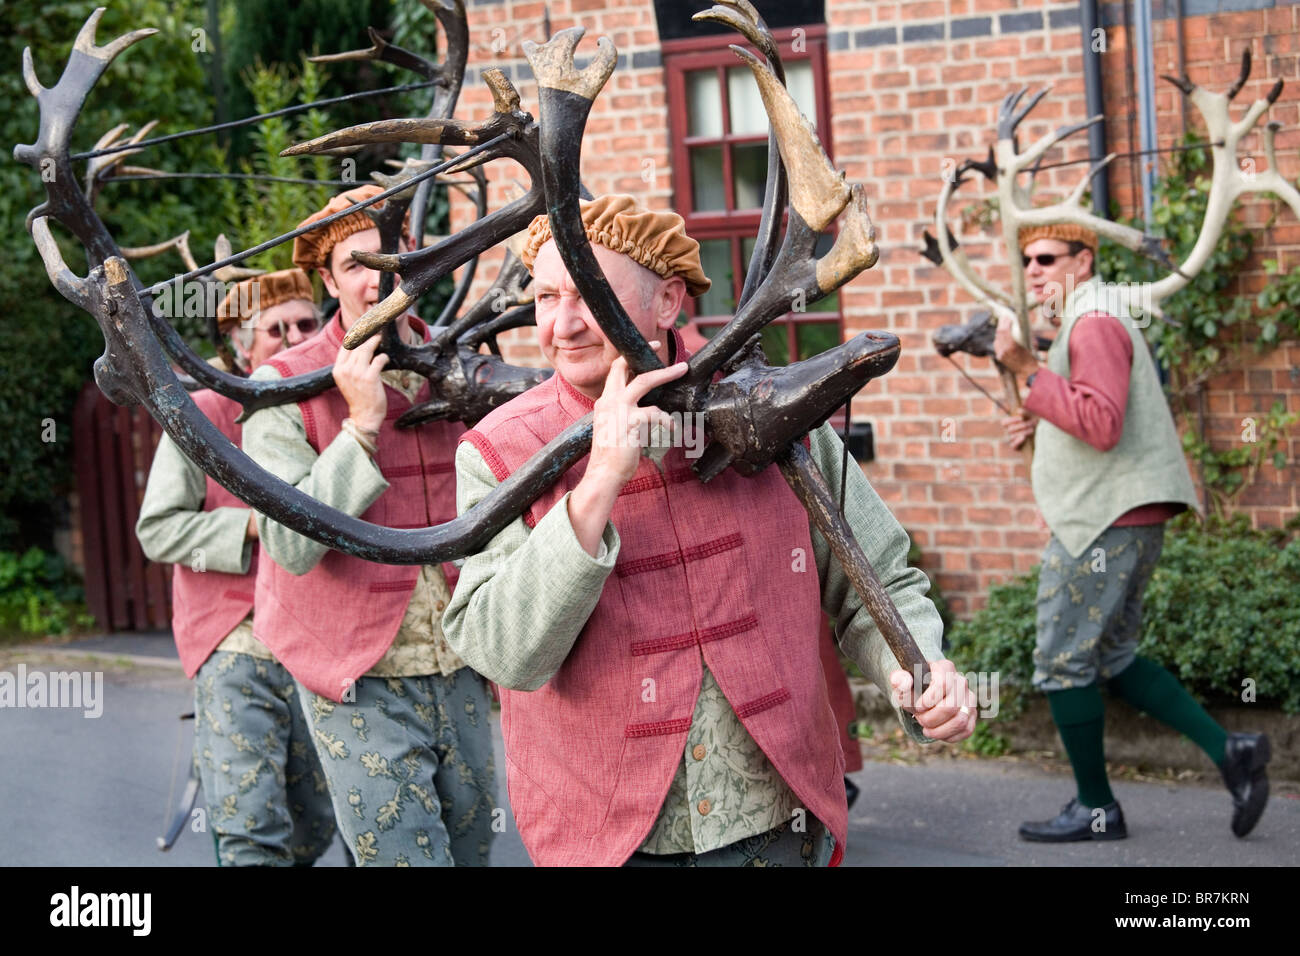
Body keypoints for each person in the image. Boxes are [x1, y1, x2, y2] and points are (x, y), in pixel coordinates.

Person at [442, 194, 976, 867]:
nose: (563, 325)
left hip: (772, 822)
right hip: (605, 838)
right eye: (547, 299)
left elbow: (876, 579)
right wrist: (598, 482)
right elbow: (502, 652)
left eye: (590, 297)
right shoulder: (497, 449)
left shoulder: (770, 408)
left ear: (667, 302)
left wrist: (919, 668)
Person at [241, 185, 496, 867]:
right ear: (326, 279)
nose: (375, 280)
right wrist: (359, 426)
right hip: (355, 673)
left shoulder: (456, 366)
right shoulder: (281, 384)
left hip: (460, 663)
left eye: (388, 261)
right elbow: (291, 545)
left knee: (473, 853)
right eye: (355, 265)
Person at [994, 223, 1271, 841]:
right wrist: (1040, 423)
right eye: (1026, 260)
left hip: (1102, 523)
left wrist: (1027, 371)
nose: (1033, 270)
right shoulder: (1091, 316)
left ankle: (1097, 810)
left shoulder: (1092, 321)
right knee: (1113, 657)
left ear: (1084, 260)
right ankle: (1234, 752)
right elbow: (1091, 412)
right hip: (1124, 517)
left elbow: (1101, 422)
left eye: (1047, 258)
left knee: (1062, 661)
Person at [137, 268, 338, 866]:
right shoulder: (199, 415)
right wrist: (255, 525)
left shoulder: (333, 408)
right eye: (276, 329)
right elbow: (158, 529)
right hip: (236, 640)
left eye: (307, 323)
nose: (294, 336)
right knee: (250, 827)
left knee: (318, 820)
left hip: (320, 639)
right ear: (241, 348)